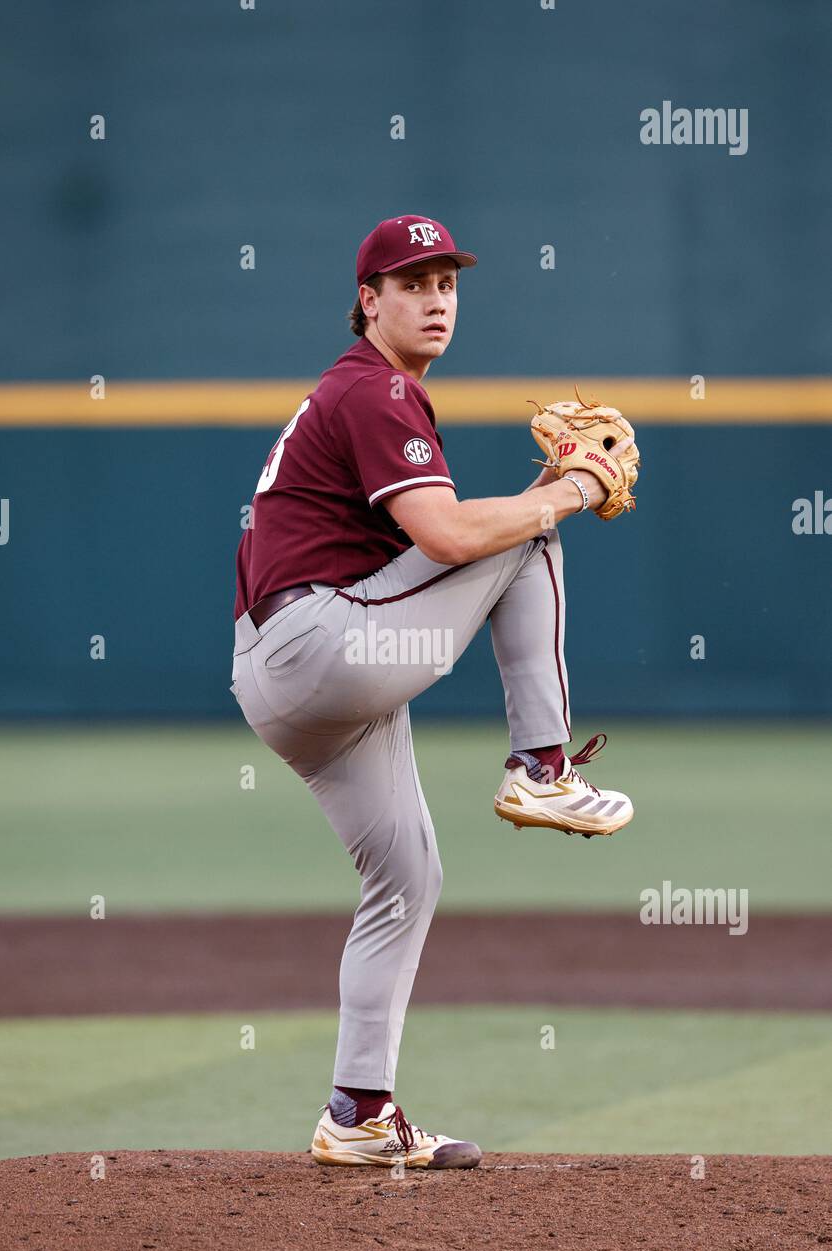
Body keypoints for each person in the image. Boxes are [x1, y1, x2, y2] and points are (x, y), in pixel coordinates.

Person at [231, 214, 633, 1170]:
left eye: (448, 281)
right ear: (369, 301)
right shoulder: (373, 391)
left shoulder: (372, 393)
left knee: (407, 879)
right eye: (413, 283)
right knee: (530, 534)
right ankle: (541, 765)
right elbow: (451, 541)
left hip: (284, 676)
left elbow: (437, 542)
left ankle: (358, 1114)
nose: (437, 297)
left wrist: (544, 491)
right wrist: (570, 489)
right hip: (323, 639)